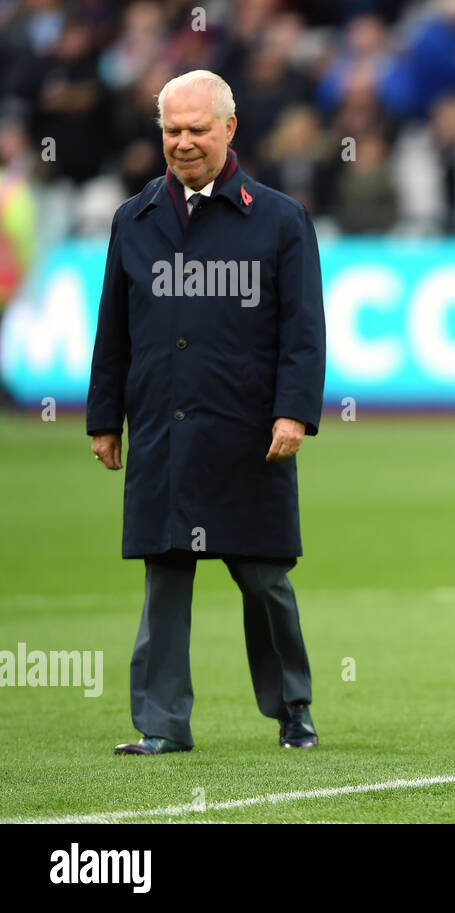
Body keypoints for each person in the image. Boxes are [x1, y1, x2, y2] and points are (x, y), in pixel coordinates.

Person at [86, 70, 326, 755]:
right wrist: (105, 418)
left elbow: (303, 330)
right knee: (164, 574)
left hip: (249, 432)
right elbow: (114, 331)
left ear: (230, 129)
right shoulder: (132, 220)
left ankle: (293, 708)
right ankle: (161, 723)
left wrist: (293, 414)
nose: (183, 142)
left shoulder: (281, 218)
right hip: (162, 430)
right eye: (171, 130)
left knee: (263, 578)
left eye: (196, 129)